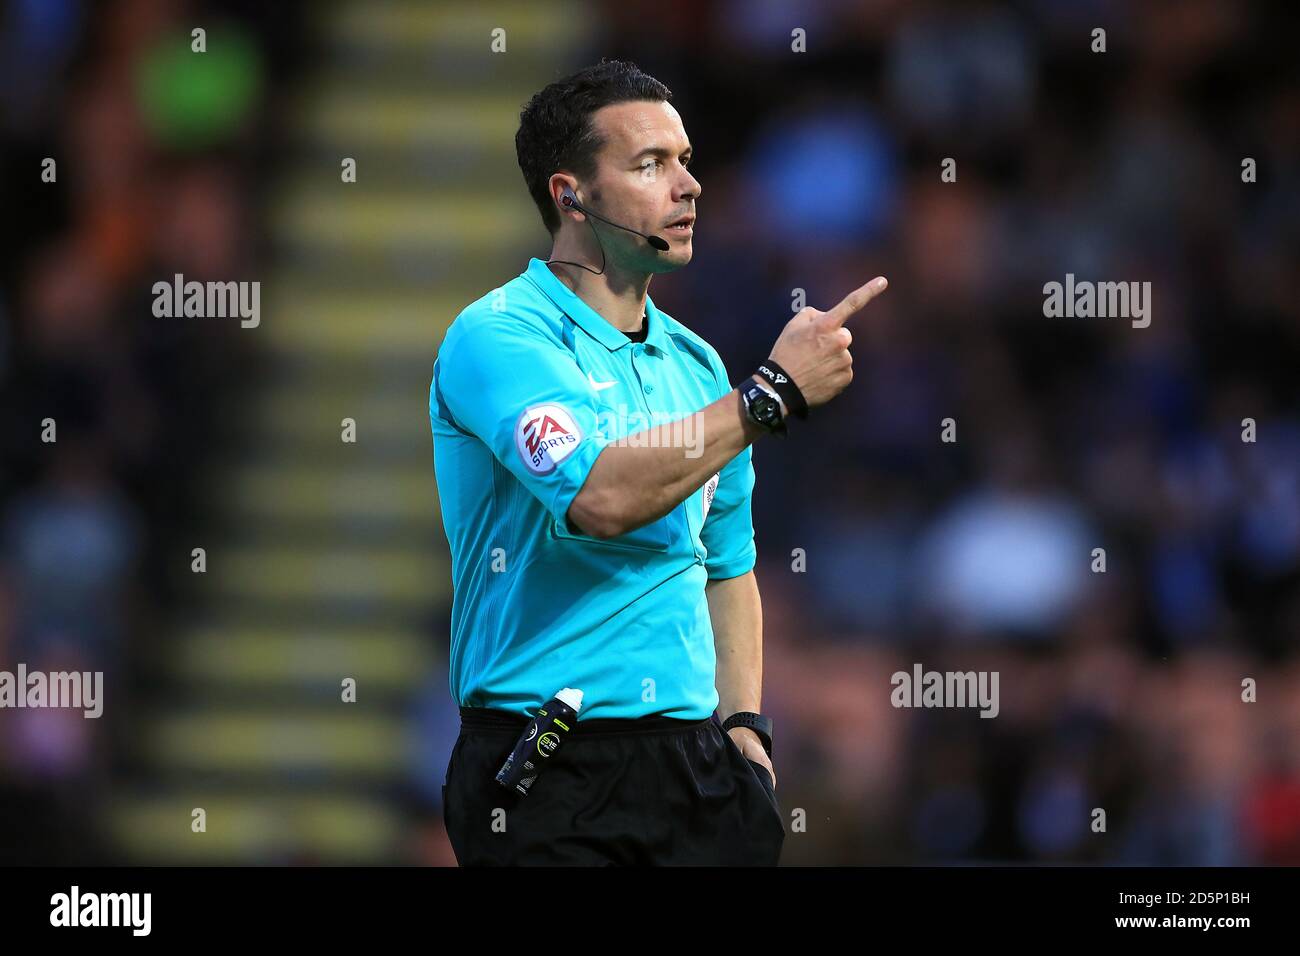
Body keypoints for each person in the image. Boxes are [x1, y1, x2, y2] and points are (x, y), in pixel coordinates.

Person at [429, 59, 887, 865]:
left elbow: (728, 567)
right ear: (571, 194)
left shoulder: (700, 367)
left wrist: (744, 731)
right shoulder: (499, 337)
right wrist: (770, 394)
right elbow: (601, 497)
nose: (689, 185)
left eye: (684, 159)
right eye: (651, 165)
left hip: (696, 769)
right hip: (549, 768)